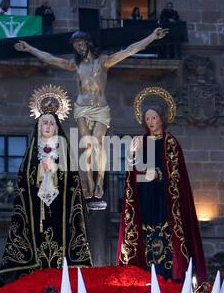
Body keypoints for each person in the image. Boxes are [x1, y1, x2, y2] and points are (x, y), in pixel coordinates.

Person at [15, 26, 169, 203]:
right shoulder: (76, 65)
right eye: (76, 45)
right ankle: (88, 182)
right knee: (88, 146)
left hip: (100, 108)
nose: (79, 48)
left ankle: (100, 180)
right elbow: (51, 59)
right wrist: (30, 49)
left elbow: (130, 50)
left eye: (81, 44)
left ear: (88, 44)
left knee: (97, 144)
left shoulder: (103, 62)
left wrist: (151, 36)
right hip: (82, 107)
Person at [0, 99, 93, 283]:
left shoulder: (64, 151)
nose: (47, 126)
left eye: (51, 123)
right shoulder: (32, 152)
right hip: (36, 212)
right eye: (44, 123)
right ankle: (32, 269)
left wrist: (55, 169)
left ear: (56, 128)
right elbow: (23, 182)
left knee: (60, 240)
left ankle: (64, 270)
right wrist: (39, 169)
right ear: (39, 127)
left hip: (60, 211)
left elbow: (72, 183)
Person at [116, 89, 207, 284]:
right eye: (147, 118)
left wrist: (158, 173)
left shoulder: (170, 142)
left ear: (162, 119)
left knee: (166, 234)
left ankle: (169, 276)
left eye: (154, 117)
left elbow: (176, 172)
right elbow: (133, 170)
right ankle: (146, 274)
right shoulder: (138, 142)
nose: (150, 121)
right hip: (145, 196)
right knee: (145, 233)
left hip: (165, 198)